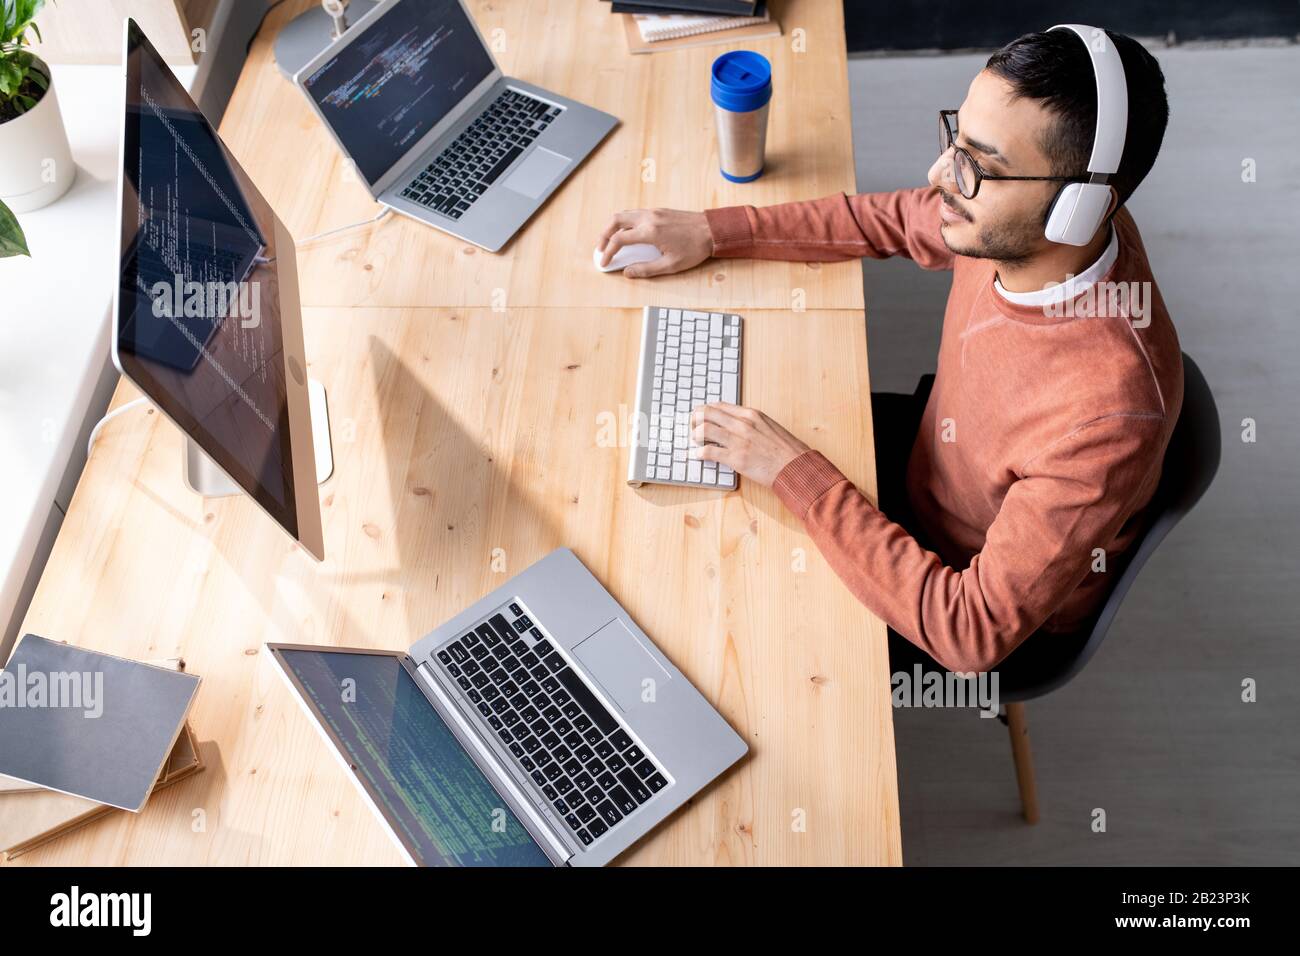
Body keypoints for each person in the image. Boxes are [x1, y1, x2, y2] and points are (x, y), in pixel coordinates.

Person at [595, 29, 1182, 675]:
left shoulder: (1107, 418)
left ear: (1079, 207)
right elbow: (897, 219)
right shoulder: (1018, 229)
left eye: (978, 164)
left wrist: (796, 473)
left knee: (710, 626)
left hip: (950, 591)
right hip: (928, 464)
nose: (939, 177)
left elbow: (971, 633)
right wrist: (715, 230)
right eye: (954, 139)